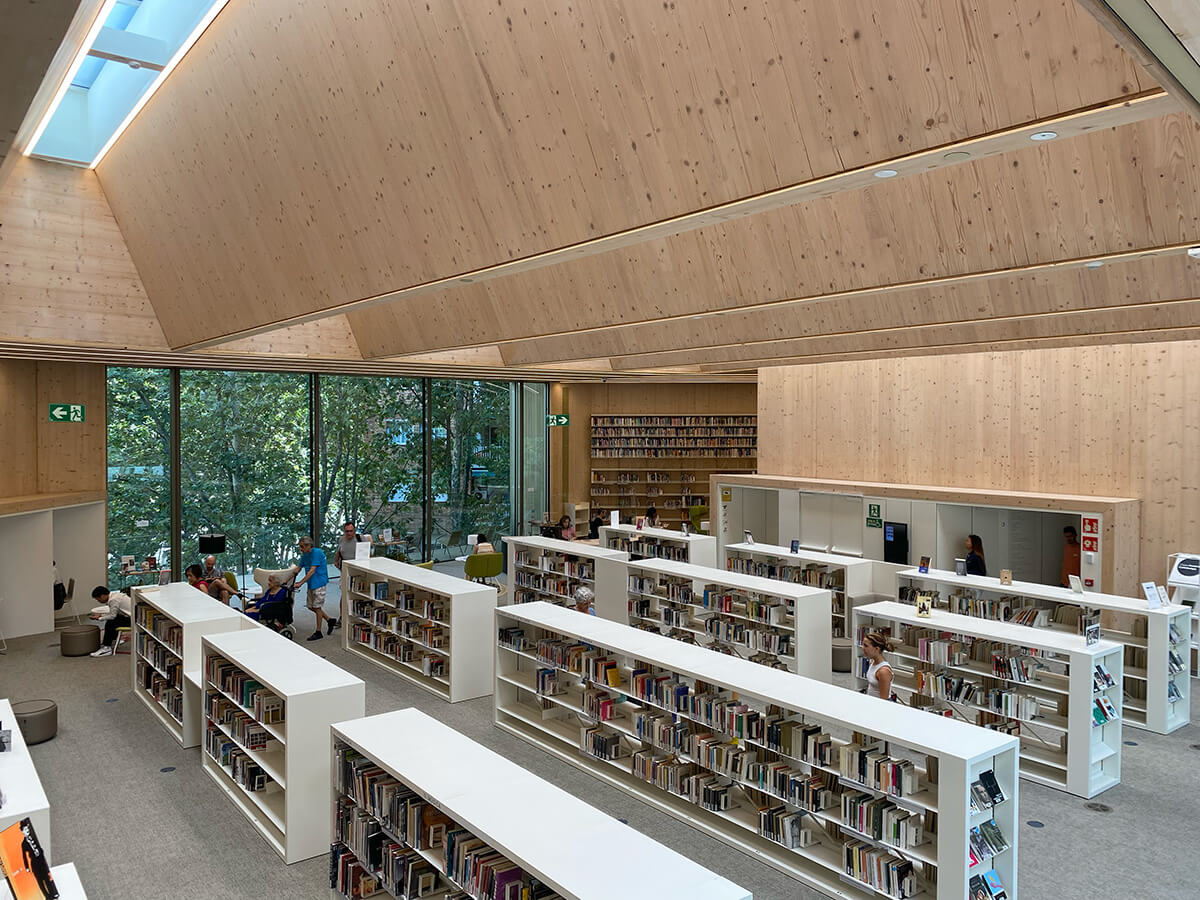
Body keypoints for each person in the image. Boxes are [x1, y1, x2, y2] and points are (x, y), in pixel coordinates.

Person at [294, 536, 337, 641]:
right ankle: (329, 620)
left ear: (309, 545)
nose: (300, 549)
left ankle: (318, 632)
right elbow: (297, 569)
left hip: (319, 583)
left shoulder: (317, 553)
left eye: (302, 546)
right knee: (310, 606)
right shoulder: (305, 555)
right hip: (311, 583)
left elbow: (312, 570)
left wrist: (300, 583)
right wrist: (286, 580)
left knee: (317, 607)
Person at [88, 585, 132, 657]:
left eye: (98, 599)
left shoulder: (113, 600)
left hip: (133, 620)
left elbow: (112, 616)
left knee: (110, 623)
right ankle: (113, 639)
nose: (98, 601)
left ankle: (107, 647)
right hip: (132, 616)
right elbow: (114, 612)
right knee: (114, 620)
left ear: (102, 596)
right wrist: (101, 615)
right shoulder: (116, 595)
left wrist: (99, 618)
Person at [861, 631, 894, 700]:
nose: (863, 648)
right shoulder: (873, 662)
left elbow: (884, 700)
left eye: (866, 646)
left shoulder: (883, 671)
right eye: (863, 645)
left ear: (877, 649)